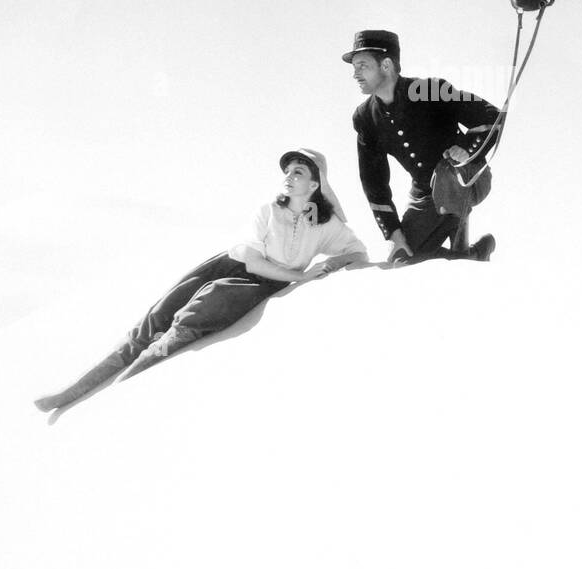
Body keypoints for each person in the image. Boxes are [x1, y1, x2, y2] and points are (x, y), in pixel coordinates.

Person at [32, 149, 367, 412]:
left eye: (298, 172)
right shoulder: (268, 210)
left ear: (314, 184)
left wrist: (329, 267)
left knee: (194, 316)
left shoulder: (326, 225)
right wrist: (300, 276)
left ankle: (120, 391)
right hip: (230, 265)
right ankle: (72, 392)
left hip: (258, 286)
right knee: (155, 318)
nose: (289, 177)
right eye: (287, 171)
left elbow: (357, 251)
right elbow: (251, 258)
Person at [344, 29, 499, 264]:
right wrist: (395, 235)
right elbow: (373, 182)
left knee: (447, 174)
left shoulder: (430, 90)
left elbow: (492, 116)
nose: (355, 74)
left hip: (468, 177)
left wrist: (467, 148)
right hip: (424, 196)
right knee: (403, 261)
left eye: (362, 66)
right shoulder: (365, 117)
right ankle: (472, 255)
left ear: (386, 64)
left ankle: (460, 236)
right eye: (354, 67)